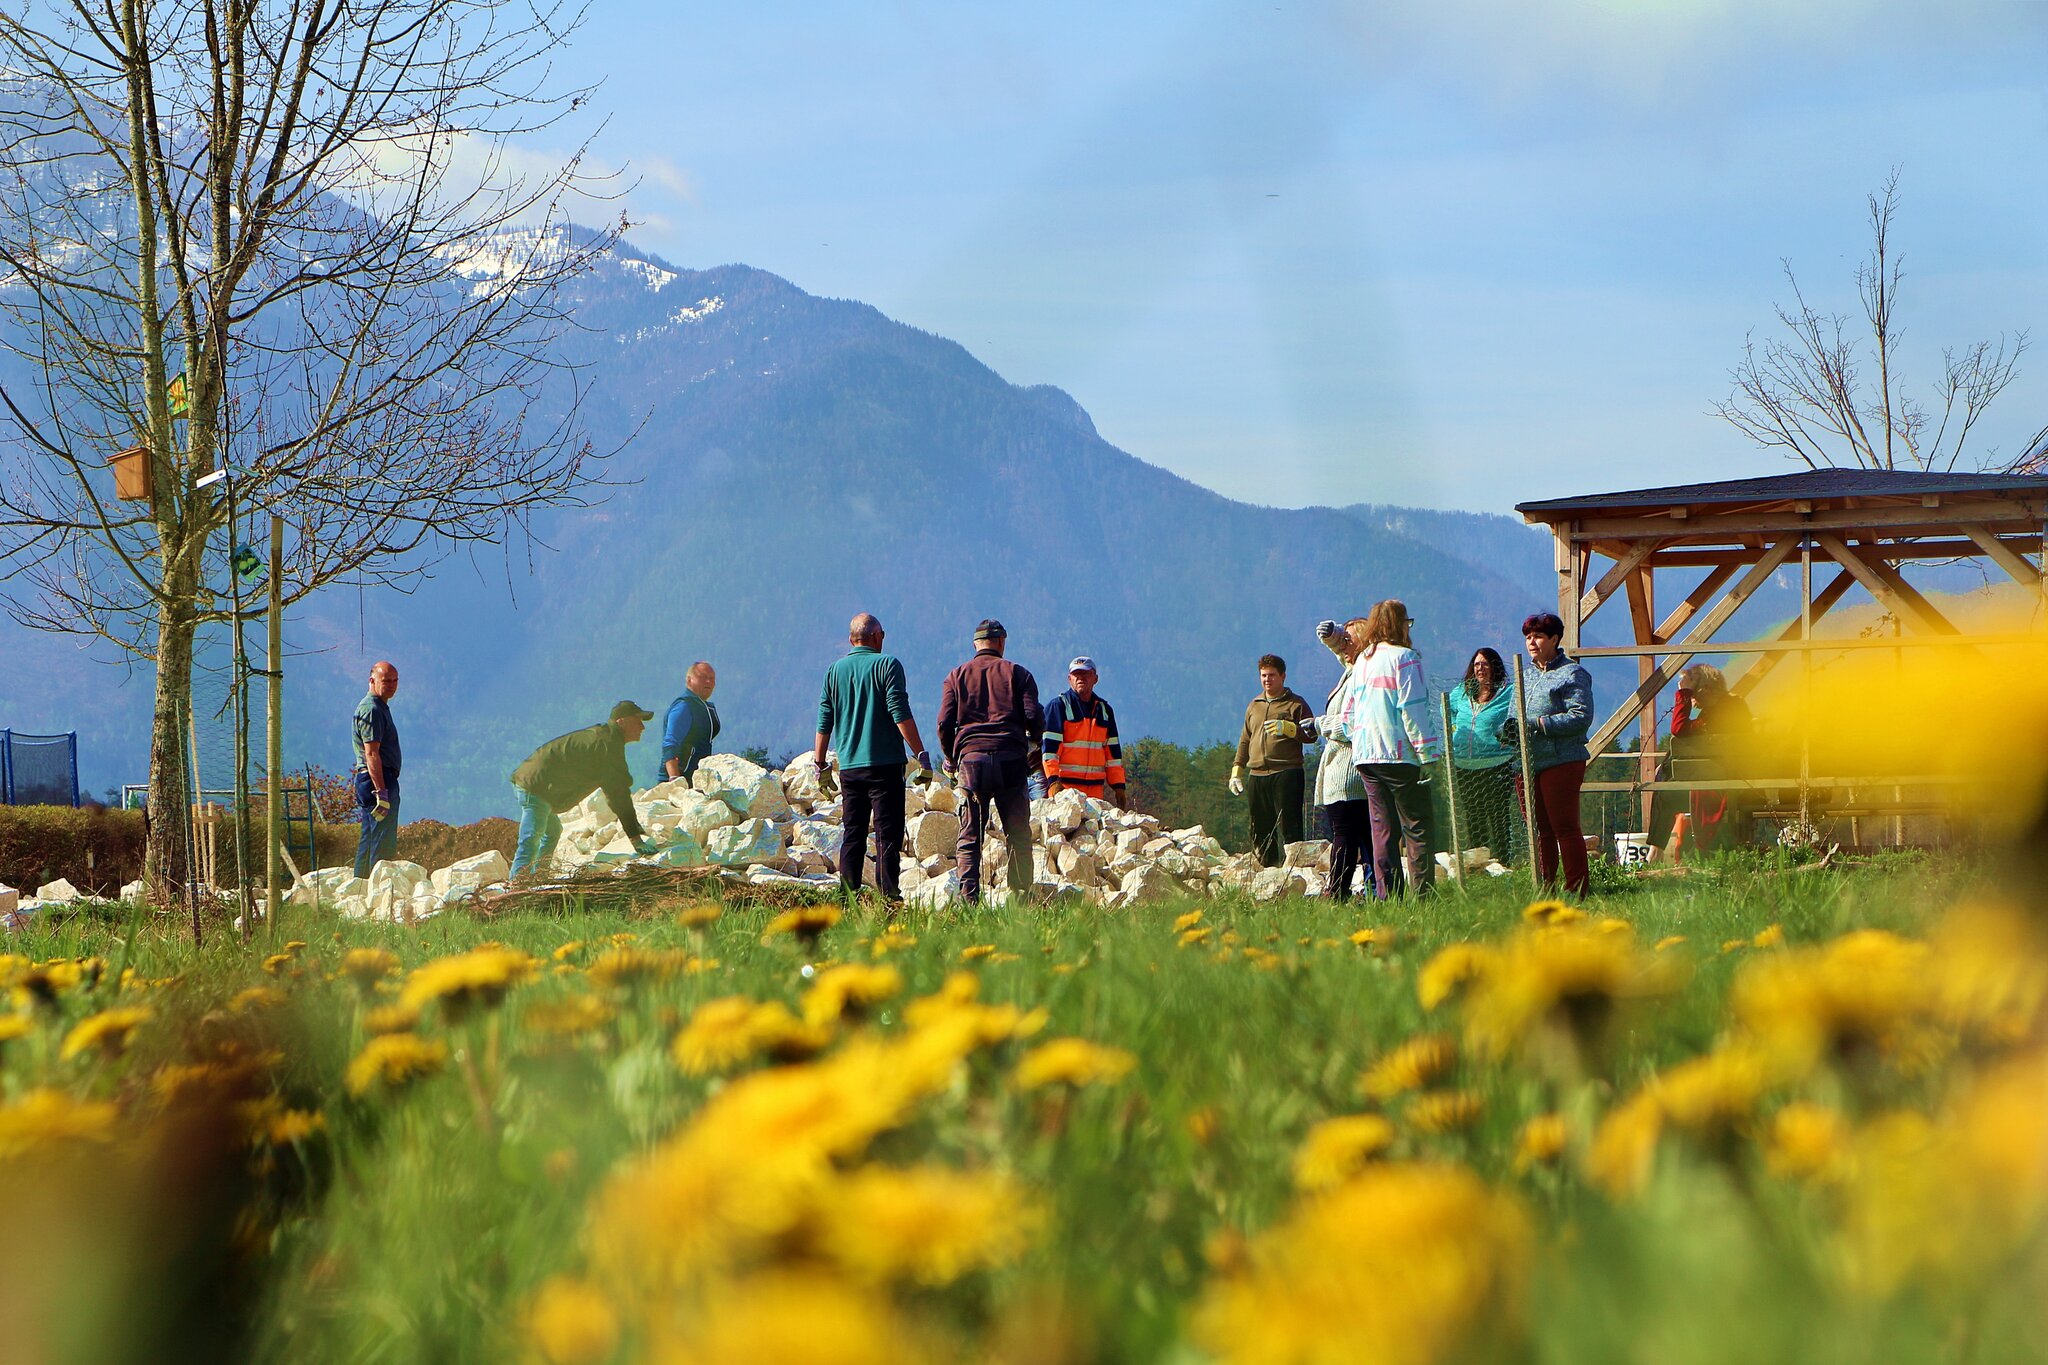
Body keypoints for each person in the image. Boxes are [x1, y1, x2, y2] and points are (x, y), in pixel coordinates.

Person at [813, 613, 932, 902]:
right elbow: (899, 712)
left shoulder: (834, 671)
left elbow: (825, 719)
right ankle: (889, 897)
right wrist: (921, 754)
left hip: (850, 767)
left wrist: (820, 765)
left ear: (851, 639)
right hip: (885, 765)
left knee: (852, 834)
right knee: (887, 834)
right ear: (877, 637)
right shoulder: (887, 665)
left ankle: (847, 898)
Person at [1332, 601, 1438, 898]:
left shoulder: (1362, 662)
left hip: (1366, 755)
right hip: (1399, 754)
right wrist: (1427, 754)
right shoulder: (1405, 658)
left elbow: (1348, 715)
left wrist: (1361, 737)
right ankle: (1423, 895)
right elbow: (1413, 709)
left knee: (1382, 829)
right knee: (1416, 825)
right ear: (1399, 624)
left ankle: (1388, 895)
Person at [936, 619, 1043, 902]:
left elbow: (944, 724)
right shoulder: (1019, 674)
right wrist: (1034, 744)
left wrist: (950, 757)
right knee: (1017, 834)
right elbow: (1033, 716)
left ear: (975, 645)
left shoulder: (956, 676)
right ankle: (1020, 898)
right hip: (1011, 761)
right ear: (1001, 642)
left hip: (972, 763)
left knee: (970, 836)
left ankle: (969, 899)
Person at [1498, 612, 1594, 896]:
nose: (1532, 642)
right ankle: (1545, 887)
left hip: (1561, 760)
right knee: (1539, 831)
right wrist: (1506, 731)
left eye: (1538, 636)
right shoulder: (1524, 675)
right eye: (1528, 637)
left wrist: (1540, 723)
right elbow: (1512, 713)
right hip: (1526, 763)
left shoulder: (1572, 673)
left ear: (1554, 639)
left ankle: (1576, 889)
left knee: (1565, 828)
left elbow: (1581, 716)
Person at [508, 702, 658, 878]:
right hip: (536, 786)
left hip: (539, 782)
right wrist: (635, 838)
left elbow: (618, 790)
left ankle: (539, 876)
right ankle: (517, 884)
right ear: (621, 721)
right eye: (638, 721)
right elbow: (618, 794)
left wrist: (634, 828)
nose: (642, 727)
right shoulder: (607, 745)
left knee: (553, 832)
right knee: (531, 838)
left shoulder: (606, 738)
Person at [1230, 655, 1318, 868]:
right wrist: (1236, 772)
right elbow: (1245, 739)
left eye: (1271, 675)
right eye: (1263, 675)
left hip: (1287, 772)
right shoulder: (1254, 705)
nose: (1267, 680)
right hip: (1257, 775)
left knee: (1290, 827)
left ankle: (1295, 871)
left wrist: (1290, 729)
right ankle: (1266, 871)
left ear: (1283, 676)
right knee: (1260, 829)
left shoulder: (1296, 704)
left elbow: (1312, 735)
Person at [1313, 620, 1373, 901]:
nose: (1343, 646)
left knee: (1344, 834)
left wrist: (1319, 725)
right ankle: (1374, 890)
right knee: (1359, 835)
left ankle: (1336, 891)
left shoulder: (1362, 675)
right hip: (1344, 767)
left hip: (1347, 769)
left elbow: (1351, 724)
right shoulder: (1353, 670)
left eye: (1349, 640)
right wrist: (1333, 635)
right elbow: (1342, 652)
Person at [1670, 663, 1753, 854]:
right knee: (1664, 778)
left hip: (1720, 783)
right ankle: (1657, 850)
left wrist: (1682, 695)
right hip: (1740, 777)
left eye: (1692, 692)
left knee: (1664, 793)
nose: (1691, 698)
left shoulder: (1712, 716)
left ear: (1705, 689)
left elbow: (1678, 728)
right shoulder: (1734, 705)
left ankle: (1657, 851)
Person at [1448, 647, 1517, 863]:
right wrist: (1455, 729)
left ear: (1495, 667)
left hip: (1497, 762)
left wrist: (1506, 734)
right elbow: (1447, 709)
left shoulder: (1508, 693)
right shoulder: (1462, 692)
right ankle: (1478, 862)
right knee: (1473, 815)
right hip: (1465, 764)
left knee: (1498, 814)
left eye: (1485, 664)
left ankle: (1502, 861)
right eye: (1477, 664)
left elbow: (1516, 715)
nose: (1480, 668)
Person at [1041, 656, 1128, 805]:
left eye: (1086, 674)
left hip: (1095, 792)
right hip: (1065, 791)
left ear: (1095, 679)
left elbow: (1113, 755)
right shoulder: (1058, 707)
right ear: (1069, 678)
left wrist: (1119, 786)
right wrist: (1053, 782)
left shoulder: (1104, 711)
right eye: (1076, 674)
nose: (1080, 678)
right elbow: (1050, 752)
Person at [352, 661, 402, 878]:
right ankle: (377, 886)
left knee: (371, 836)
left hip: (375, 779)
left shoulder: (378, 707)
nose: (391, 685)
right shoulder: (371, 709)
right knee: (382, 839)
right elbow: (371, 753)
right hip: (378, 780)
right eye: (386, 681)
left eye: (395, 681)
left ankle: (361, 884)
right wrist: (381, 791)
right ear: (372, 681)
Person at [655, 661, 721, 785]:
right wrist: (674, 779)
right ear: (689, 680)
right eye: (703, 677)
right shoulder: (684, 706)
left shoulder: (701, 706)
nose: (708, 682)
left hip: (695, 780)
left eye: (712, 678)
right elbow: (670, 743)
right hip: (678, 782)